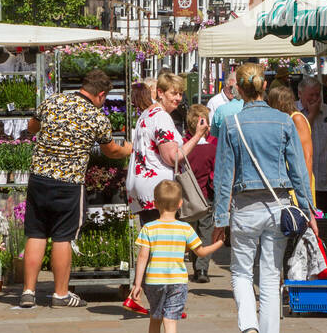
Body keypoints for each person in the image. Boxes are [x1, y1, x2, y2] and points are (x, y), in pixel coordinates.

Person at [212, 62, 316, 333]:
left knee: (242, 273)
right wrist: (308, 210)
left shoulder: (232, 124)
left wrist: (220, 219)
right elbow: (298, 171)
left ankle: (248, 325)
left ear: (239, 91)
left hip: (245, 208)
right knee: (271, 278)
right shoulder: (285, 121)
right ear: (264, 88)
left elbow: (223, 177)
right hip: (278, 206)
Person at [21, 69, 133, 309]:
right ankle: (60, 294)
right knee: (62, 236)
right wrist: (127, 150)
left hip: (39, 178)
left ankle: (28, 291)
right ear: (101, 94)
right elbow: (110, 150)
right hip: (69, 182)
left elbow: (32, 126)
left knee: (36, 232)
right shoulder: (95, 117)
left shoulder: (53, 100)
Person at [131, 180, 226, 333]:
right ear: (180, 203)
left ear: (155, 203)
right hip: (177, 282)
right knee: (171, 320)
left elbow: (142, 257)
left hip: (154, 282)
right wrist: (219, 243)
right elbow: (200, 252)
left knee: (155, 318)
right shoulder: (185, 229)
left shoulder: (149, 228)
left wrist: (137, 284)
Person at [127, 71, 209, 225]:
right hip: (161, 191)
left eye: (180, 94)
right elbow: (173, 158)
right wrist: (198, 135)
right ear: (160, 93)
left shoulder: (147, 114)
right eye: (173, 93)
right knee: (165, 242)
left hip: (144, 186)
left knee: (153, 239)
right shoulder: (161, 117)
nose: (178, 98)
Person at [184, 103, 217, 283]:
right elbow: (215, 174)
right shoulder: (212, 149)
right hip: (206, 196)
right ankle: (202, 269)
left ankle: (195, 264)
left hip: (188, 196)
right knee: (206, 232)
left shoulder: (184, 148)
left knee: (191, 232)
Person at [299, 77, 327, 214]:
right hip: (306, 183)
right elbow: (297, 140)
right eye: (311, 95)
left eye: (318, 94)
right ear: (300, 94)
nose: (315, 98)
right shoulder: (294, 113)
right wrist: (311, 115)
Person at [266, 85, 315, 202]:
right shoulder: (285, 119)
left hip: (300, 181)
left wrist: (305, 190)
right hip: (290, 179)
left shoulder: (297, 118)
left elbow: (307, 156)